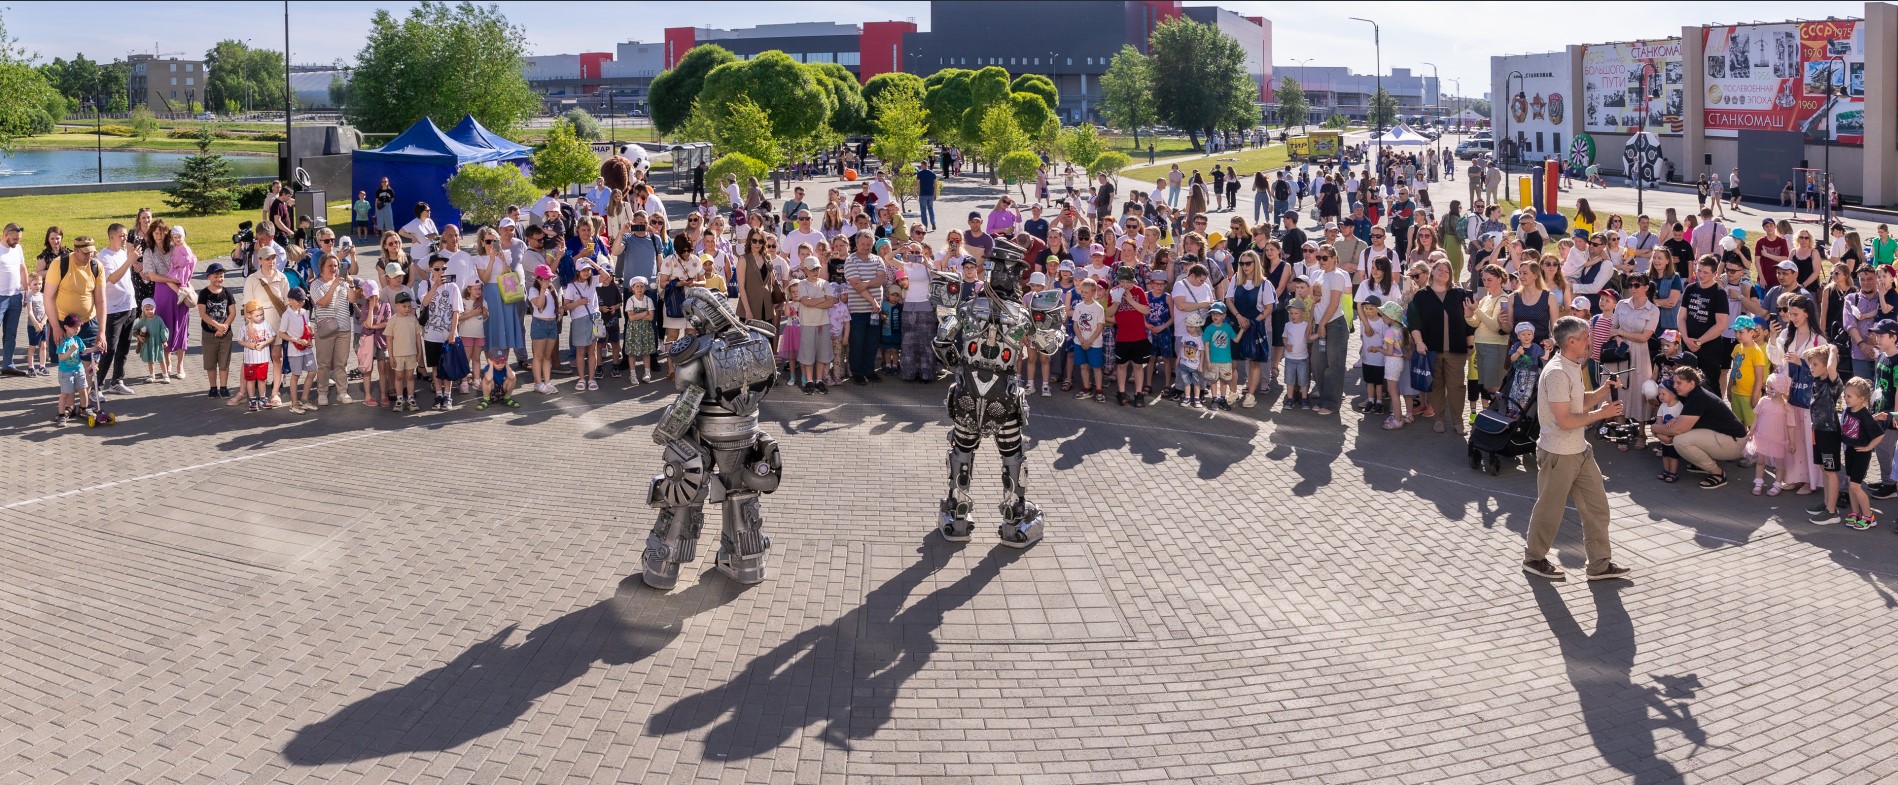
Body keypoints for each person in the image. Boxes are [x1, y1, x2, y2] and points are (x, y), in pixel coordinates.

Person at [1522, 315, 1633, 581]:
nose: (1590, 343)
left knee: (1597, 509)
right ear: (1572, 341)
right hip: (1559, 453)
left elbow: (1578, 403)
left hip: (1579, 451)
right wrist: (1601, 414)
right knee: (1549, 511)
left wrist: (1603, 391)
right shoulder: (1558, 372)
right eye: (1586, 338)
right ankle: (1534, 559)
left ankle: (1599, 565)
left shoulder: (1572, 364)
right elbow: (1565, 420)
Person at [1110, 266, 1151, 407]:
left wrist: (1131, 301)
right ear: (1118, 281)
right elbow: (1109, 313)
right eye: (1122, 282)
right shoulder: (1114, 292)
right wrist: (1116, 303)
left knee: (1138, 366)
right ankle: (1121, 392)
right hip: (1122, 336)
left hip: (1139, 336)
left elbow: (1146, 310)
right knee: (1121, 366)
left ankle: (1138, 393)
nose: (1125, 285)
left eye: (1128, 282)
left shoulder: (1138, 291)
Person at [197, 264, 236, 399]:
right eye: (216, 276)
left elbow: (232, 312)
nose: (219, 279)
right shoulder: (204, 293)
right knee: (210, 362)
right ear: (209, 277)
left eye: (221, 276)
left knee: (224, 362)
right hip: (209, 334)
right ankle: (213, 387)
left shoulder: (227, 293)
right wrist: (217, 326)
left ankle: (224, 387)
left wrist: (224, 326)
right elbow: (202, 313)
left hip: (225, 334)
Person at [280, 288, 316, 414]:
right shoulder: (287, 315)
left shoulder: (304, 312)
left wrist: (310, 339)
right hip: (294, 350)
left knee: (312, 371)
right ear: (290, 300)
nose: (301, 303)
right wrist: (295, 340)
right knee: (296, 375)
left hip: (306, 348)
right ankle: (294, 404)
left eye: (302, 300)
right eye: (298, 300)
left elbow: (307, 329)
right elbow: (281, 334)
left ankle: (304, 399)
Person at [235, 300, 275, 413]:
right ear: (249, 315)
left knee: (262, 379)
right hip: (250, 360)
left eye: (261, 314)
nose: (260, 317)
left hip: (263, 358)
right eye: (257, 315)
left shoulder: (266, 324)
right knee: (251, 380)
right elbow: (240, 340)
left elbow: (272, 337)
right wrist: (250, 344)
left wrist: (263, 343)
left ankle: (263, 397)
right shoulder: (244, 327)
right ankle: (252, 399)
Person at [386, 290, 422, 411]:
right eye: (404, 306)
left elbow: (418, 337)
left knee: (410, 376)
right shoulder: (392, 320)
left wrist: (419, 353)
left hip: (411, 353)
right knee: (399, 376)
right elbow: (389, 339)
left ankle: (411, 398)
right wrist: (390, 356)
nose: (407, 309)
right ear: (396, 306)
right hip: (398, 355)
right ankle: (399, 399)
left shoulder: (413, 319)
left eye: (409, 306)